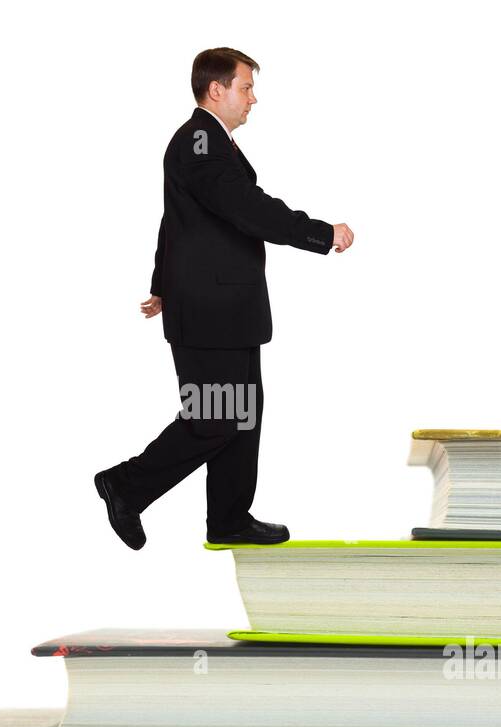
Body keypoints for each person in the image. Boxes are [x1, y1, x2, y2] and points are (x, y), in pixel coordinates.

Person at [95, 47, 353, 550]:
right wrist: (320, 233)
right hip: (210, 312)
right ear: (217, 90)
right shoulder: (199, 140)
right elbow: (244, 207)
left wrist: (161, 284)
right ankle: (125, 484)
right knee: (215, 416)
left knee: (242, 414)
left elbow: (178, 220)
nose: (253, 99)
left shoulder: (214, 143)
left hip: (224, 309)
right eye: (246, 87)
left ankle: (230, 517)